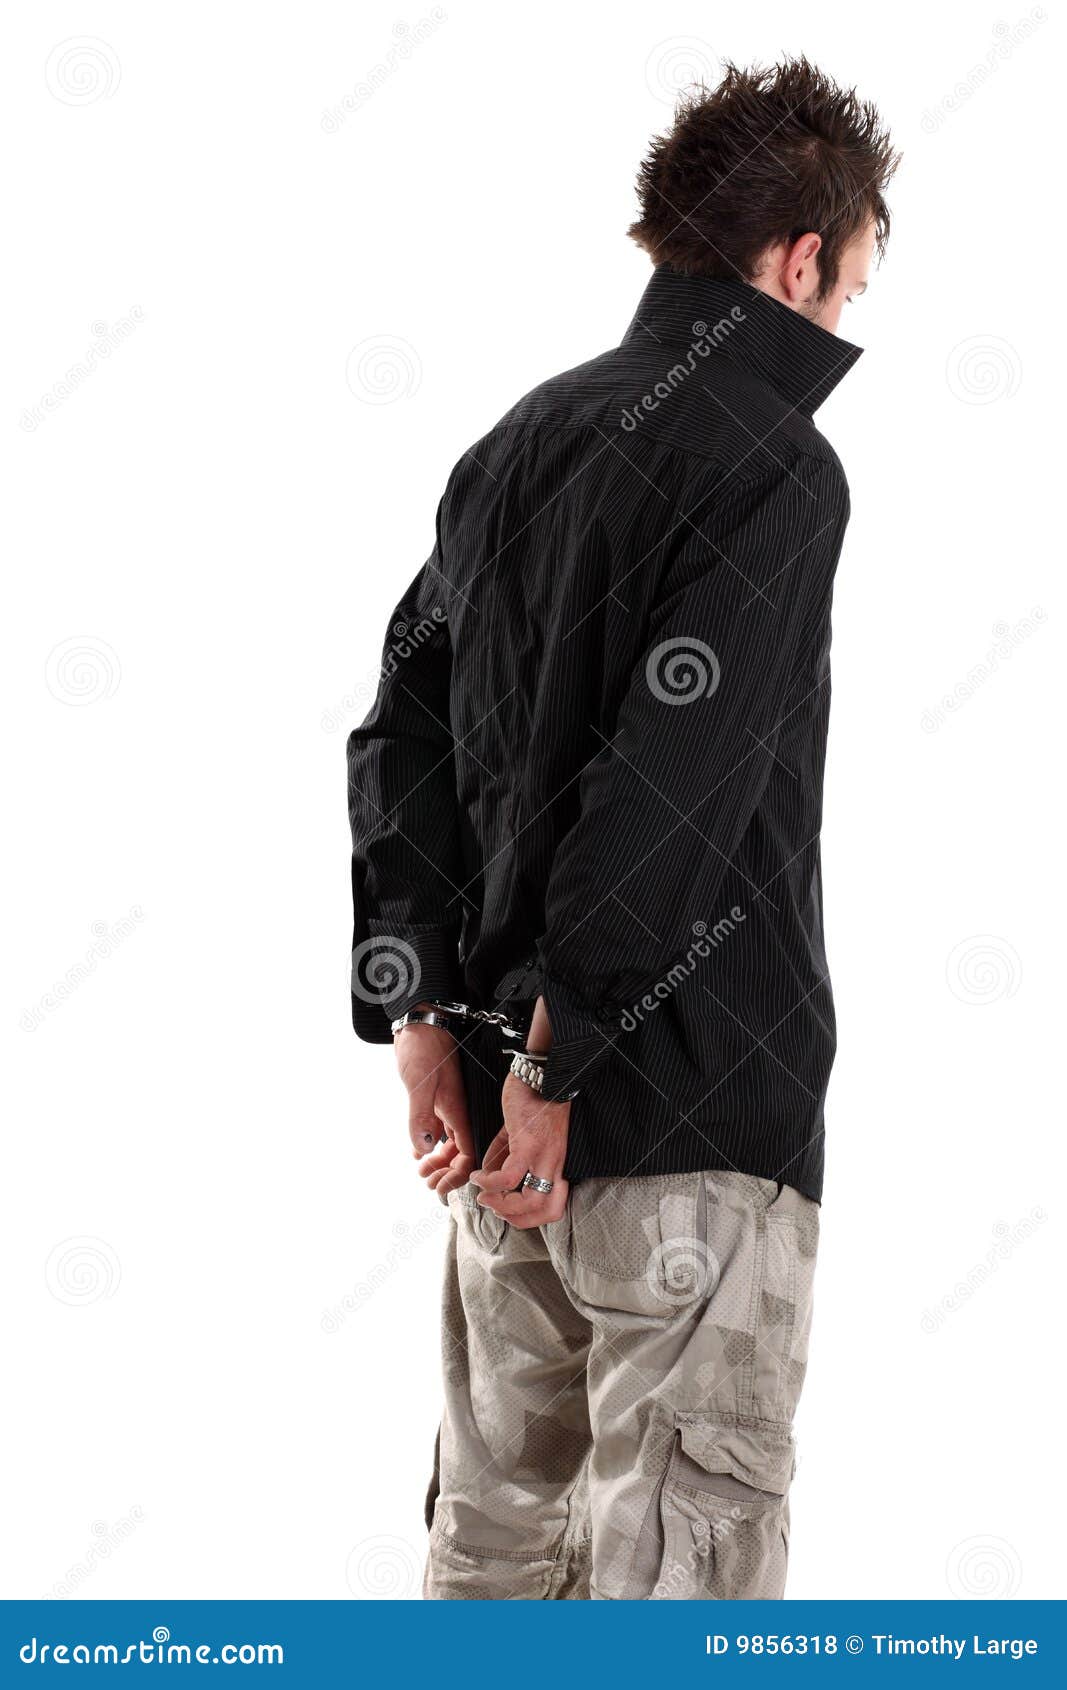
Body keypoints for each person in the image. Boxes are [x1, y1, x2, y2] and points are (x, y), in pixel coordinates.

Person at [347, 57, 898, 1600]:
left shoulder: (515, 446)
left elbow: (398, 737)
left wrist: (424, 1015)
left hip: (501, 1157)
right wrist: (562, 1056)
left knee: (495, 1581)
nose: (844, 324)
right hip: (687, 1128)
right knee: (675, 1607)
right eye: (853, 289)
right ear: (800, 260)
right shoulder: (778, 464)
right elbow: (674, 781)